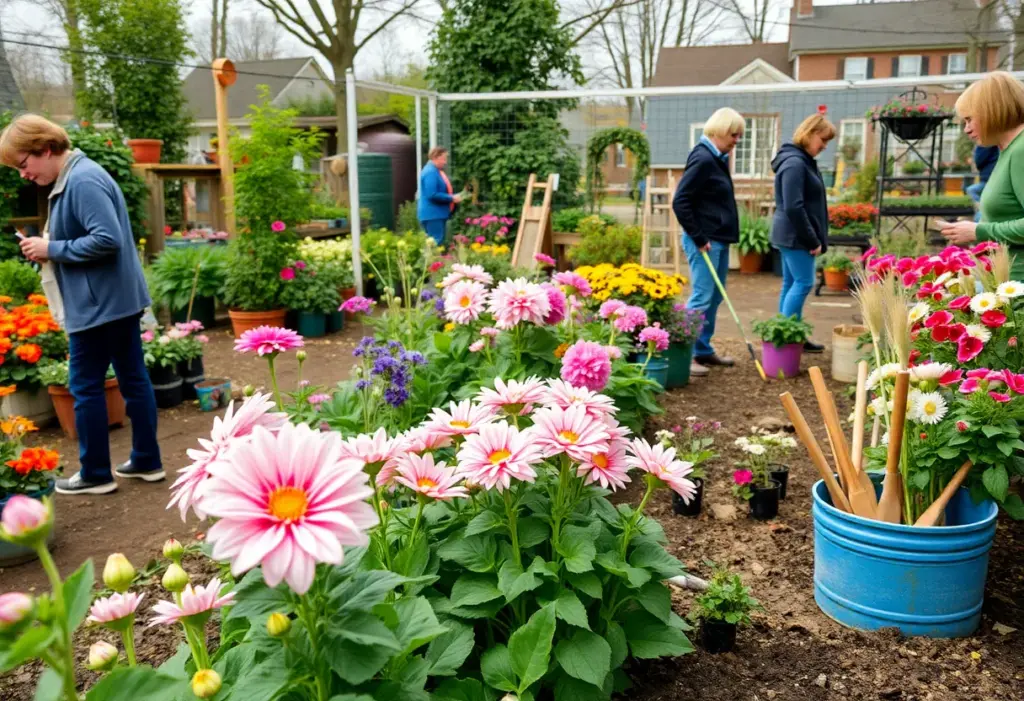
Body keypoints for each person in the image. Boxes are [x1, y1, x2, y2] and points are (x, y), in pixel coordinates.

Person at [1, 115, 163, 495]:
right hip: (114, 300)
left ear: (45, 148)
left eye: (24, 164)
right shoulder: (78, 175)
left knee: (86, 386)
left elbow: (106, 240)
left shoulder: (83, 180)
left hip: (98, 307)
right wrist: (50, 251)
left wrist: (51, 249)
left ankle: (94, 474)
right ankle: (146, 460)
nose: (23, 174)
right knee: (133, 379)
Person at [672, 107, 744, 376]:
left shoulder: (717, 158)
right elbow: (680, 202)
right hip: (705, 240)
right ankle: (684, 355)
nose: (737, 140)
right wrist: (699, 237)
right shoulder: (703, 158)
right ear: (722, 130)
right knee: (702, 297)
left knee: (714, 296)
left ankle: (702, 349)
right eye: (735, 134)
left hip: (718, 239)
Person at [940, 71, 1024, 280]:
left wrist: (979, 231)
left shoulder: (1021, 151)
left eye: (969, 120)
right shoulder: (1008, 150)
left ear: (992, 111)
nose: (967, 130)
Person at [770, 113, 836, 353]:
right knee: (803, 282)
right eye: (823, 139)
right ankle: (786, 339)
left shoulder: (801, 160)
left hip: (791, 234)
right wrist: (812, 239)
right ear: (809, 134)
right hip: (795, 236)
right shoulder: (795, 163)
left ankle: (792, 334)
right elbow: (793, 206)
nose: (825, 146)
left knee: (791, 283)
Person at [418, 146, 463, 246]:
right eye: (444, 158)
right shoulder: (430, 172)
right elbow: (432, 194)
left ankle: (430, 261)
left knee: (433, 244)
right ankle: (430, 262)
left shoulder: (433, 170)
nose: (445, 162)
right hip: (433, 215)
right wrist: (451, 198)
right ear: (436, 157)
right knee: (435, 244)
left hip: (434, 214)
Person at [967, 144, 999, 222]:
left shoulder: (985, 143)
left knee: (971, 191)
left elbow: (979, 160)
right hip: (991, 178)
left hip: (989, 179)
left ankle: (978, 223)